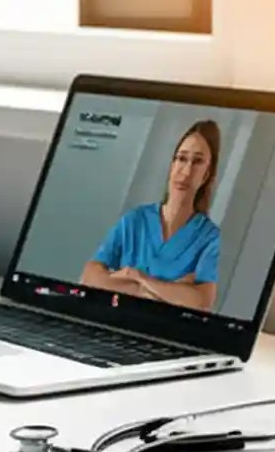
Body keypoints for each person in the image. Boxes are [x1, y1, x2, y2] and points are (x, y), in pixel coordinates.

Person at [79, 120, 223, 312]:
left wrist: (137, 276)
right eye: (181, 158)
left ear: (206, 175)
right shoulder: (135, 220)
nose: (186, 171)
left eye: (197, 162)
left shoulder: (209, 237)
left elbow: (201, 301)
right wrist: (168, 292)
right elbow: (90, 276)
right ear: (172, 165)